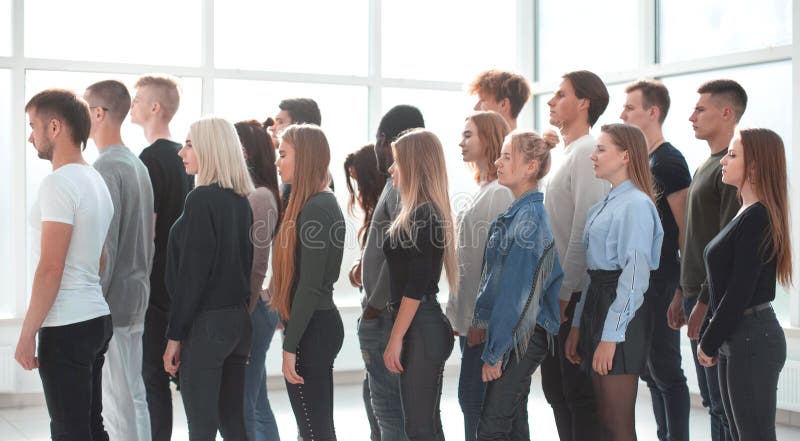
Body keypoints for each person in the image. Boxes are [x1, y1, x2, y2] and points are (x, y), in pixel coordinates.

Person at [15, 88, 114, 440]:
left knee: (70, 431)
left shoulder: (58, 183)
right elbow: (99, 258)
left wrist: (27, 334)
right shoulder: (95, 181)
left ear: (54, 127)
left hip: (66, 324)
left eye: (33, 126)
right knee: (90, 425)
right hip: (95, 318)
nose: (31, 136)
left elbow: (50, 268)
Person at [565, 123, 664, 441]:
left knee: (618, 423)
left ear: (626, 156)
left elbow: (634, 279)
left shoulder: (636, 205)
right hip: (598, 305)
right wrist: (579, 326)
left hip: (621, 314)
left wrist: (611, 337)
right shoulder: (604, 204)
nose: (593, 156)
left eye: (601, 149)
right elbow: (591, 275)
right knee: (604, 417)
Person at [163, 117, 254, 440]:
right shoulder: (240, 200)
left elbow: (192, 277)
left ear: (209, 149)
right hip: (237, 322)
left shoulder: (200, 200)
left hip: (207, 326)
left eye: (189, 144)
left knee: (200, 428)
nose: (181, 153)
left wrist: (175, 337)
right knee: (232, 423)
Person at [698, 128, 790, 441]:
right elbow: (724, 285)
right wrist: (713, 337)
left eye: (733, 155)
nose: (723, 160)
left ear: (754, 166)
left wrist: (708, 340)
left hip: (752, 337)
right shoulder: (746, 212)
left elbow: (739, 291)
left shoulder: (758, 217)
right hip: (738, 336)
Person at [473, 130, 563, 441]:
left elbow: (517, 295)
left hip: (521, 337)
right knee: (511, 422)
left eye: (507, 156)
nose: (498, 162)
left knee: (492, 426)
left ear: (531, 167)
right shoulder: (519, 214)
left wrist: (496, 352)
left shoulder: (528, 220)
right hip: (518, 333)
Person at [672, 79, 747, 441]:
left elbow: (726, 248)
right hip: (694, 295)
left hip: (712, 300)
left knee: (722, 405)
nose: (691, 116)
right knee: (713, 403)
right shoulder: (707, 164)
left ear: (726, 112)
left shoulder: (730, 169)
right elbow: (695, 239)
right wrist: (680, 292)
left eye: (700, 109)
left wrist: (701, 303)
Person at [620, 79, 691, 441]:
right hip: (643, 284)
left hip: (663, 283)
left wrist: (680, 290)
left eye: (630, 108)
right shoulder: (645, 161)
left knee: (666, 371)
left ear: (653, 112)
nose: (623, 114)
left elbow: (685, 232)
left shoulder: (670, 162)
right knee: (651, 372)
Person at [85, 79, 155, 441]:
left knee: (116, 402)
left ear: (98, 113)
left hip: (114, 302)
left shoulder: (106, 167)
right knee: (134, 394)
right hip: (137, 296)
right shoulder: (136, 164)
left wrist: (94, 305)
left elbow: (105, 248)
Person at [541, 70, 608, 440]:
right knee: (558, 393)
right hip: (558, 294)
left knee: (576, 396)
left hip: (573, 296)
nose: (551, 101)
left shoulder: (586, 153)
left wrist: (565, 295)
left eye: (560, 94)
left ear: (584, 103)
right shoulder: (569, 153)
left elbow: (585, 230)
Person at [382, 128, 457, 441]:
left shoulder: (426, 215)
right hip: (418, 323)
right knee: (425, 423)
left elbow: (416, 286)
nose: (390, 168)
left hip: (420, 325)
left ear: (414, 165)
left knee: (419, 428)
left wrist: (395, 337)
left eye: (396, 161)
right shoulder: (416, 212)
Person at [272, 124, 345, 441]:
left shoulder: (317, 207)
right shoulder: (314, 203)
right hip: (315, 325)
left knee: (315, 432)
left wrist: (290, 346)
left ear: (305, 158)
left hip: (314, 328)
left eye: (283, 154)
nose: (277, 162)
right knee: (315, 429)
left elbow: (310, 287)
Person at [445, 111, 513, 441]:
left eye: (469, 135)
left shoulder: (499, 192)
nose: (461, 141)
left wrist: (483, 320)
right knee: (473, 400)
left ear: (488, 139)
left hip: (482, 322)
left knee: (474, 400)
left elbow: (498, 262)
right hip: (470, 316)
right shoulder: (482, 188)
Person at [132, 73, 193, 441]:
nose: (132, 106)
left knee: (153, 379)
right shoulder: (184, 158)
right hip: (182, 282)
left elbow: (147, 230)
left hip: (155, 285)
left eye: (137, 99)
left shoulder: (151, 159)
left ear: (155, 107)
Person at [360, 105, 425, 441]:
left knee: (388, 411)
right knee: (380, 404)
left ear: (385, 140)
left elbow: (402, 251)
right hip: (381, 310)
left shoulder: (402, 182)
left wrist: (375, 303)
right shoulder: (395, 180)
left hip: (384, 313)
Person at [235, 120, 283, 441]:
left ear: (246, 151)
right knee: (255, 400)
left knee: (244, 403)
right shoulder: (250, 194)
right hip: (252, 309)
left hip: (253, 311)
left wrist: (245, 311)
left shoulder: (261, 197)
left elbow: (257, 265)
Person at [344, 143, 387, 441]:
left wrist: (372, 309)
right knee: (373, 399)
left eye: (360, 181)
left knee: (380, 405)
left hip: (380, 317)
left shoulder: (388, 207)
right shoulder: (373, 213)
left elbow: (386, 265)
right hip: (372, 313)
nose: (358, 191)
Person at [270, 98, 331, 205]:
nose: (272, 128)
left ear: (299, 127)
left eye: (280, 122)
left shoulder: (317, 185)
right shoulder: (291, 177)